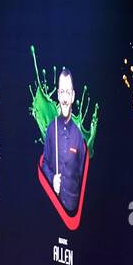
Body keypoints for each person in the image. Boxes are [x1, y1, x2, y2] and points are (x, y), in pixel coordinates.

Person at [40, 67, 87, 214]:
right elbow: (44, 164)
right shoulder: (51, 129)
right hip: (52, 208)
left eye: (68, 92)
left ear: (73, 96)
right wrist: (52, 178)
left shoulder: (80, 138)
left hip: (72, 213)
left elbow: (82, 178)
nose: (65, 99)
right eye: (62, 92)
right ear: (58, 95)